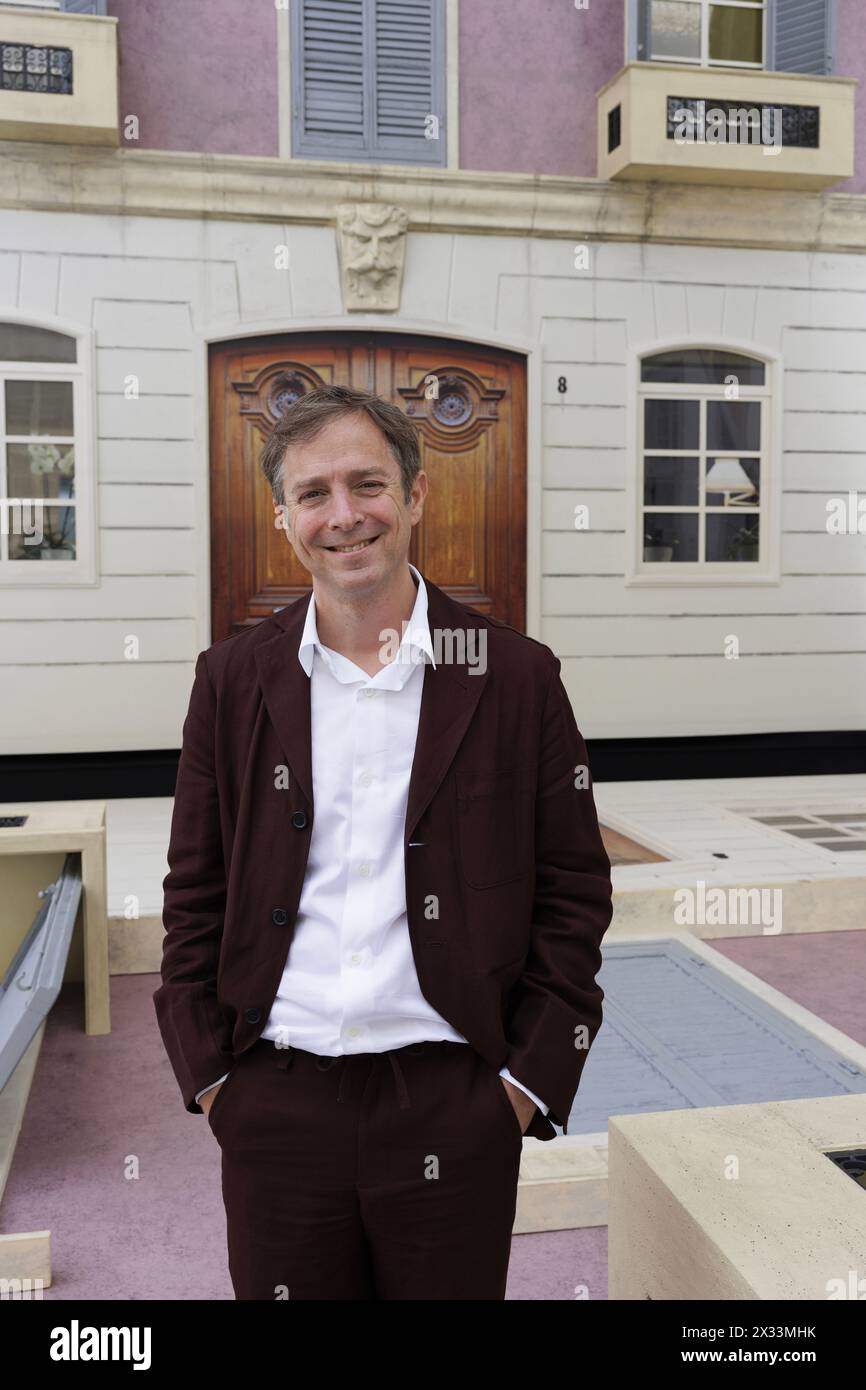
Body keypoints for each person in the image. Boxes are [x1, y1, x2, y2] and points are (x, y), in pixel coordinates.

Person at [153, 383, 613, 1299]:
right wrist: (211, 1078)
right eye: (313, 493)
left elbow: (572, 889)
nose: (344, 515)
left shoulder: (515, 675)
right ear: (283, 516)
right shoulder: (233, 678)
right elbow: (194, 889)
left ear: (415, 496)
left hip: (456, 1103)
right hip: (275, 1102)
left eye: (366, 484)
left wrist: (525, 1082)